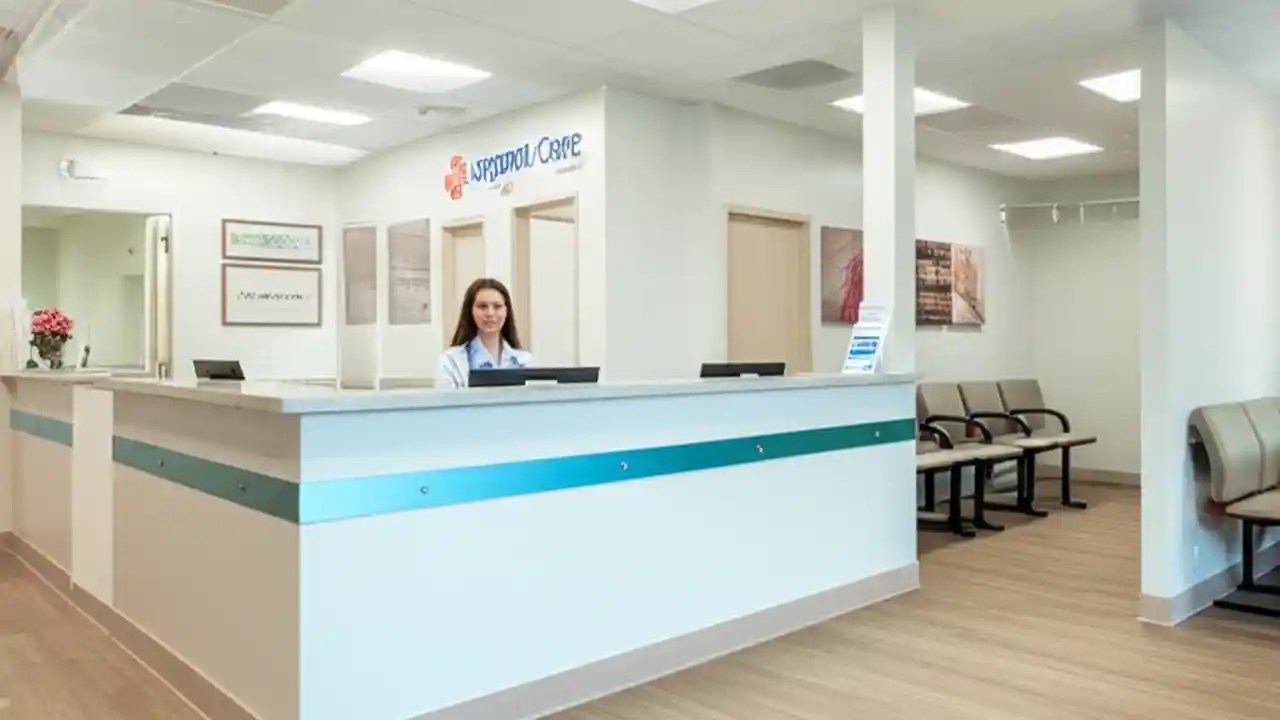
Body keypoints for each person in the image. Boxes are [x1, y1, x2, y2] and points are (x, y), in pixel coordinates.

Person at [437, 277, 533, 389]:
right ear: (470, 311)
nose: (490, 313)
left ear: (506, 311)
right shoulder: (451, 361)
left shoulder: (526, 361)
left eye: (497, 306)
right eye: (482, 306)